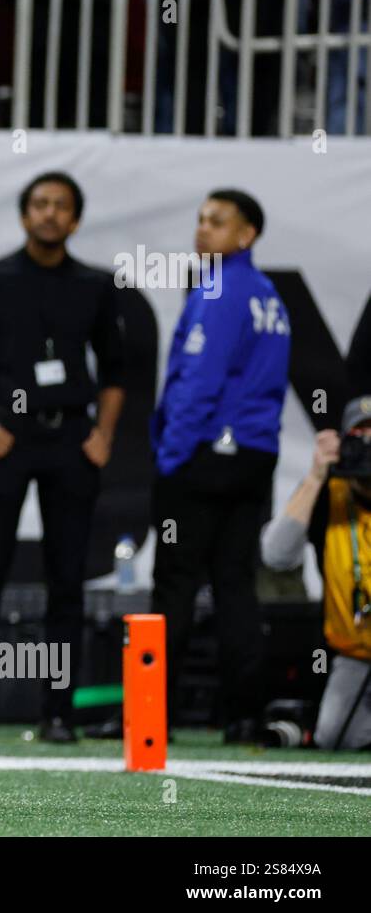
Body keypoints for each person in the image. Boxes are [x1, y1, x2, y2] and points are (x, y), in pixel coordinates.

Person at [0, 172, 125, 746]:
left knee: (66, 580)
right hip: (8, 437)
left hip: (72, 439)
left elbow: (117, 372)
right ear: (25, 215)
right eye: (40, 205)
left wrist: (104, 434)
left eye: (61, 207)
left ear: (74, 220)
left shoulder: (95, 286)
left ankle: (58, 714)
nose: (49, 214)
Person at [151, 188, 290, 743]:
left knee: (175, 586)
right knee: (235, 585)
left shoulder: (219, 288)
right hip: (254, 457)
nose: (203, 230)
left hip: (204, 455)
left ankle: (151, 717)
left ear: (247, 234)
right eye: (201, 219)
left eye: (217, 221)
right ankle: (243, 716)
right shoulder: (269, 295)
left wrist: (170, 457)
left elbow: (197, 383)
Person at [261, 401, 371, 749]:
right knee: (334, 738)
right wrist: (314, 476)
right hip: (354, 653)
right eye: (359, 437)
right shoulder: (329, 494)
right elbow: (276, 556)